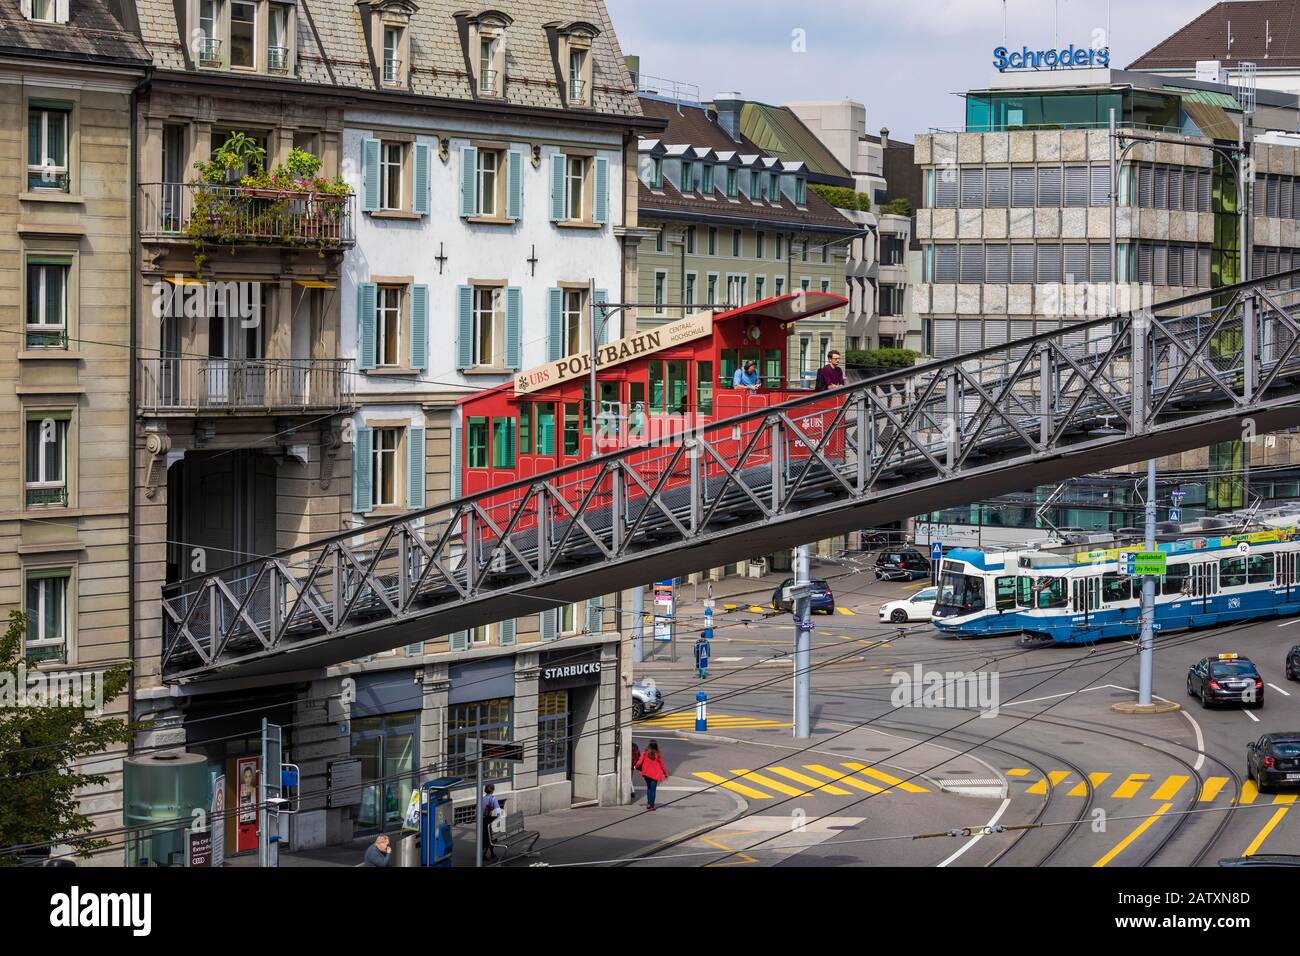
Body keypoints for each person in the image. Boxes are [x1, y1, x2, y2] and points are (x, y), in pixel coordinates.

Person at [633, 740, 668, 811]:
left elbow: (640, 762)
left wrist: (635, 766)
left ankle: (649, 803)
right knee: (653, 790)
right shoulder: (657, 754)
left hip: (646, 774)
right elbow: (662, 765)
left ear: (649, 745)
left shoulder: (645, 752)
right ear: (656, 746)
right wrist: (666, 774)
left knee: (649, 788)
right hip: (655, 774)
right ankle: (651, 805)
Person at [481, 783, 502, 861]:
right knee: (490, 838)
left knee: (486, 838)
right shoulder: (493, 799)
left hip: (483, 820)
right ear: (493, 790)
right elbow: (498, 811)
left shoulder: (482, 799)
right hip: (490, 821)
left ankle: (492, 854)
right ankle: (483, 855)